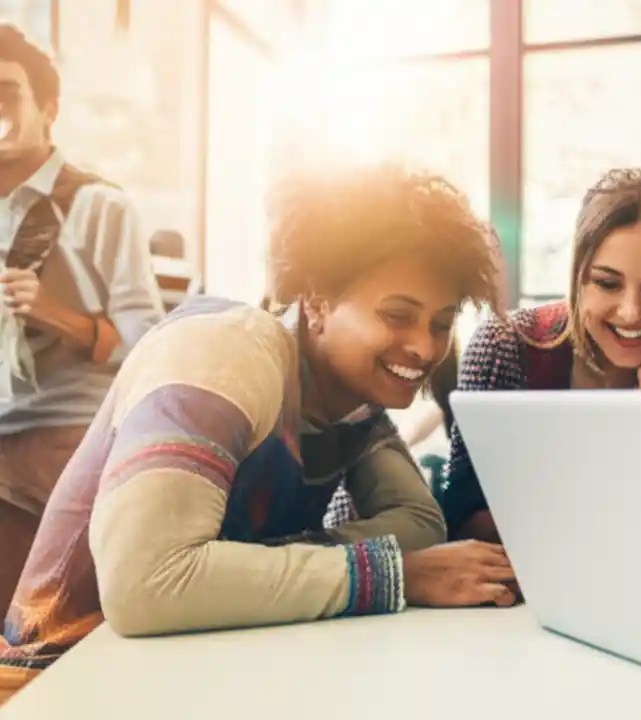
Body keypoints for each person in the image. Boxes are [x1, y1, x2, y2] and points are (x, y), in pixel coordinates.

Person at [0, 165, 519, 703]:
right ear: (317, 302)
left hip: (205, 677)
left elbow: (419, 526)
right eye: (397, 315)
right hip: (62, 682)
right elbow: (145, 586)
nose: (424, 348)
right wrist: (393, 573)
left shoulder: (351, 400)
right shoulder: (223, 351)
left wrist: (242, 568)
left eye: (440, 323)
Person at [437, 168, 641, 542]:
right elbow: (464, 519)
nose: (630, 312)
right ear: (578, 277)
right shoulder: (505, 346)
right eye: (608, 283)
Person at [0, 25, 165, 612]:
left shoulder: (98, 206)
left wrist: (60, 317)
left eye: (7, 91)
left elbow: (150, 340)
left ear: (48, 109)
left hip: (71, 438)